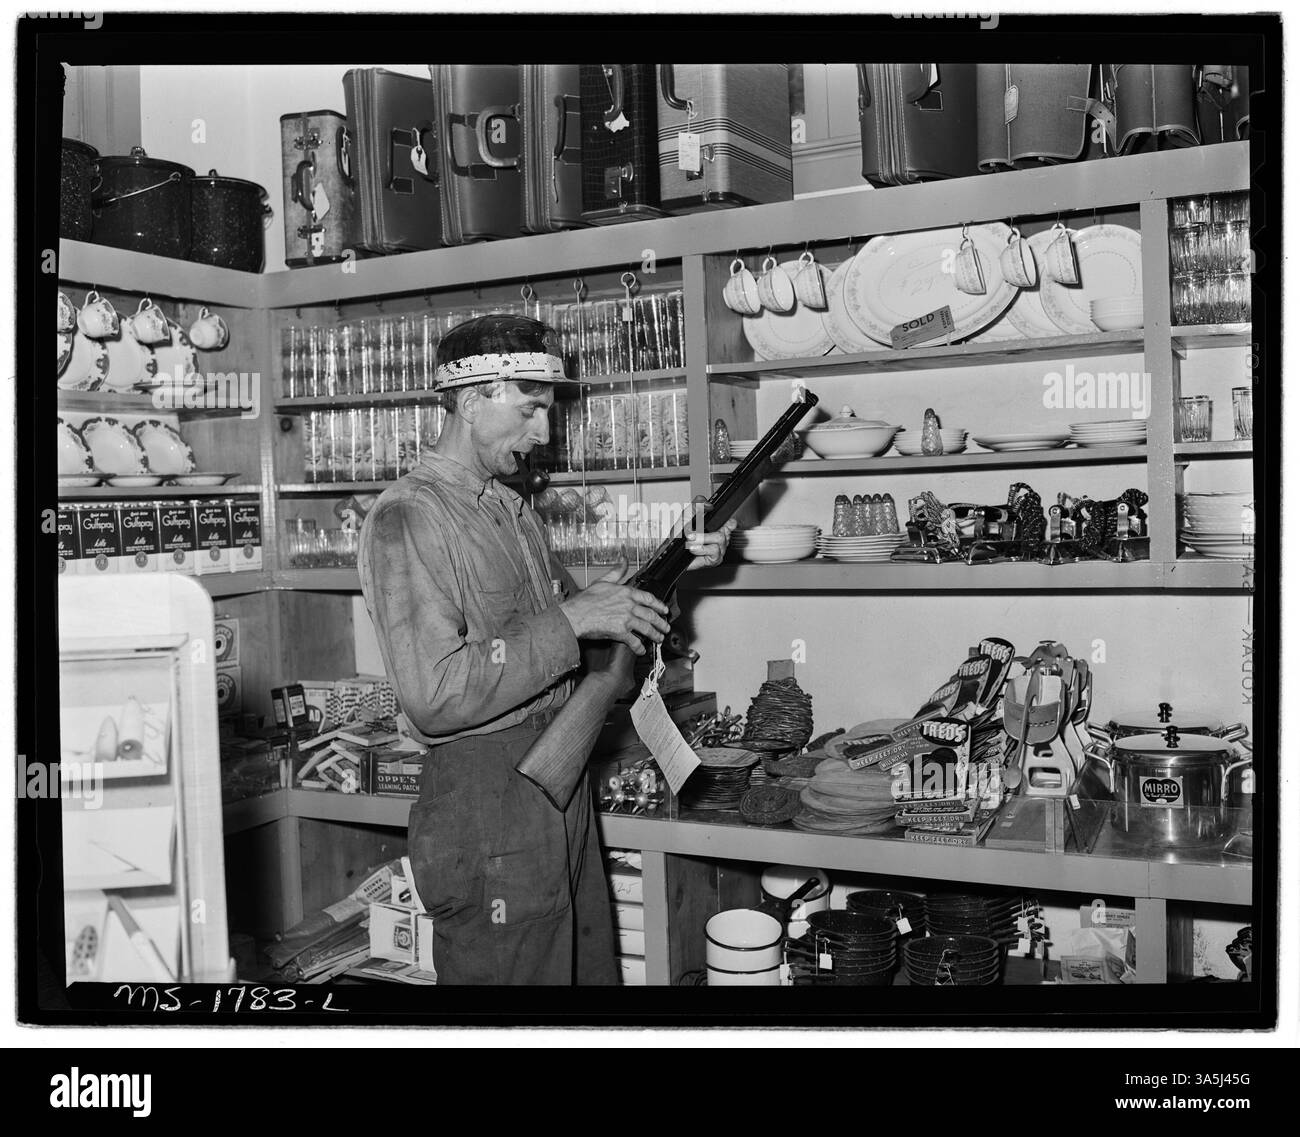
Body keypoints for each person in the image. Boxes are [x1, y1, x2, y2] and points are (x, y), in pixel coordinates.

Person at [358, 314, 733, 985]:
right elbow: (437, 695)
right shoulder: (409, 516)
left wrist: (665, 575)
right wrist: (576, 615)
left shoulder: (510, 510)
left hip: (553, 783)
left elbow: (576, 645)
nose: (544, 433)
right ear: (472, 401)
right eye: (530, 409)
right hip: (484, 803)